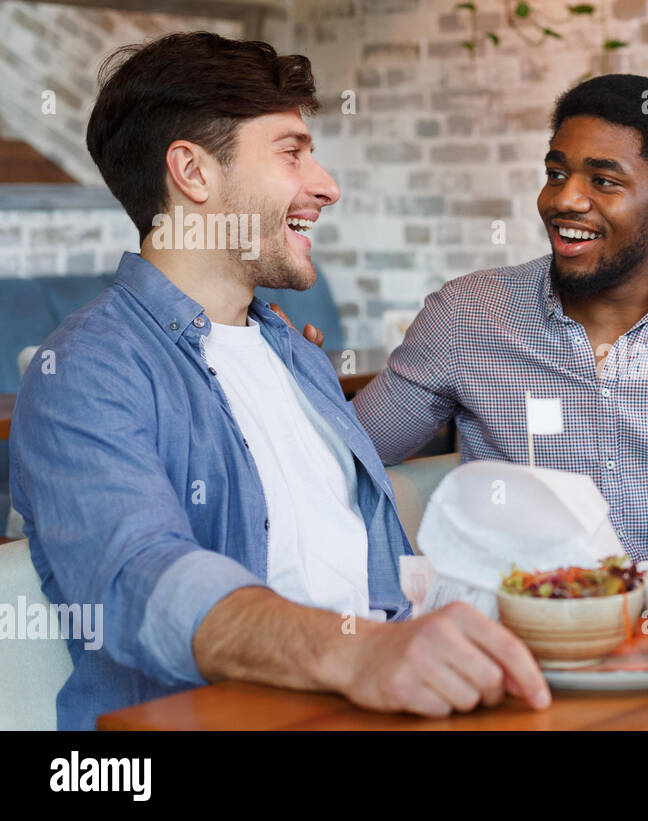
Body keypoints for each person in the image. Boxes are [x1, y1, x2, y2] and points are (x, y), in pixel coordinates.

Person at [10, 32, 548, 731]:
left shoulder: (292, 353)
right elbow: (143, 581)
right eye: (291, 152)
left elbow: (365, 571)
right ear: (193, 173)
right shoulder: (87, 371)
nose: (326, 185)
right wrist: (363, 656)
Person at [351, 74, 648, 559]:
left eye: (604, 181)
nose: (564, 200)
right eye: (556, 174)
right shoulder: (467, 316)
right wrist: (292, 373)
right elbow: (343, 455)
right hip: (526, 624)